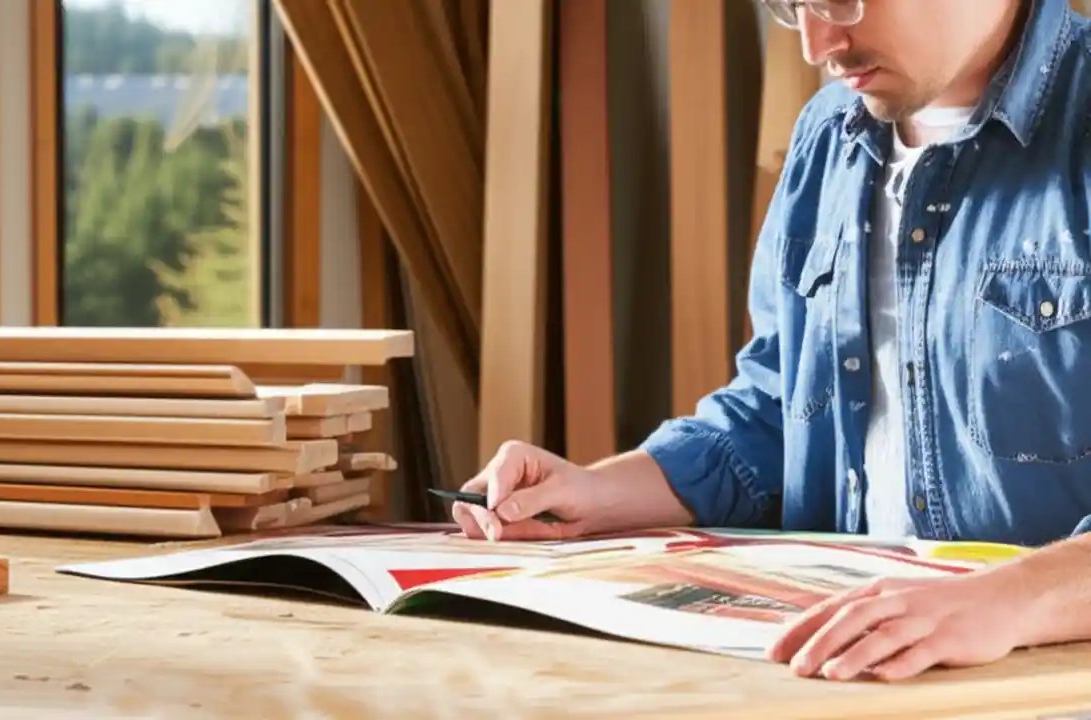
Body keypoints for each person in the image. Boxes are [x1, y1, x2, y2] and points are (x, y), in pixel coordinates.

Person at [452, 0, 1091, 682]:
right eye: (792, 5)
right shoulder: (828, 137)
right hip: (849, 671)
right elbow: (778, 408)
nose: (818, 45)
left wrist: (1008, 604)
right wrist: (596, 491)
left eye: (841, 0)